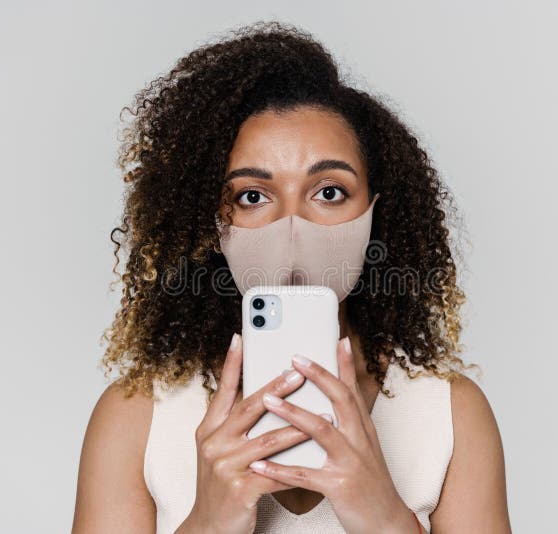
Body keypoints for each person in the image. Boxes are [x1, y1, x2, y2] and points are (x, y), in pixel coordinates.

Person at [72, 20, 511, 534]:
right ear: (213, 227)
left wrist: (383, 515)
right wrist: (209, 522)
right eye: (252, 196)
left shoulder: (450, 414)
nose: (292, 228)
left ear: (374, 214)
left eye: (328, 192)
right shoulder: (135, 418)